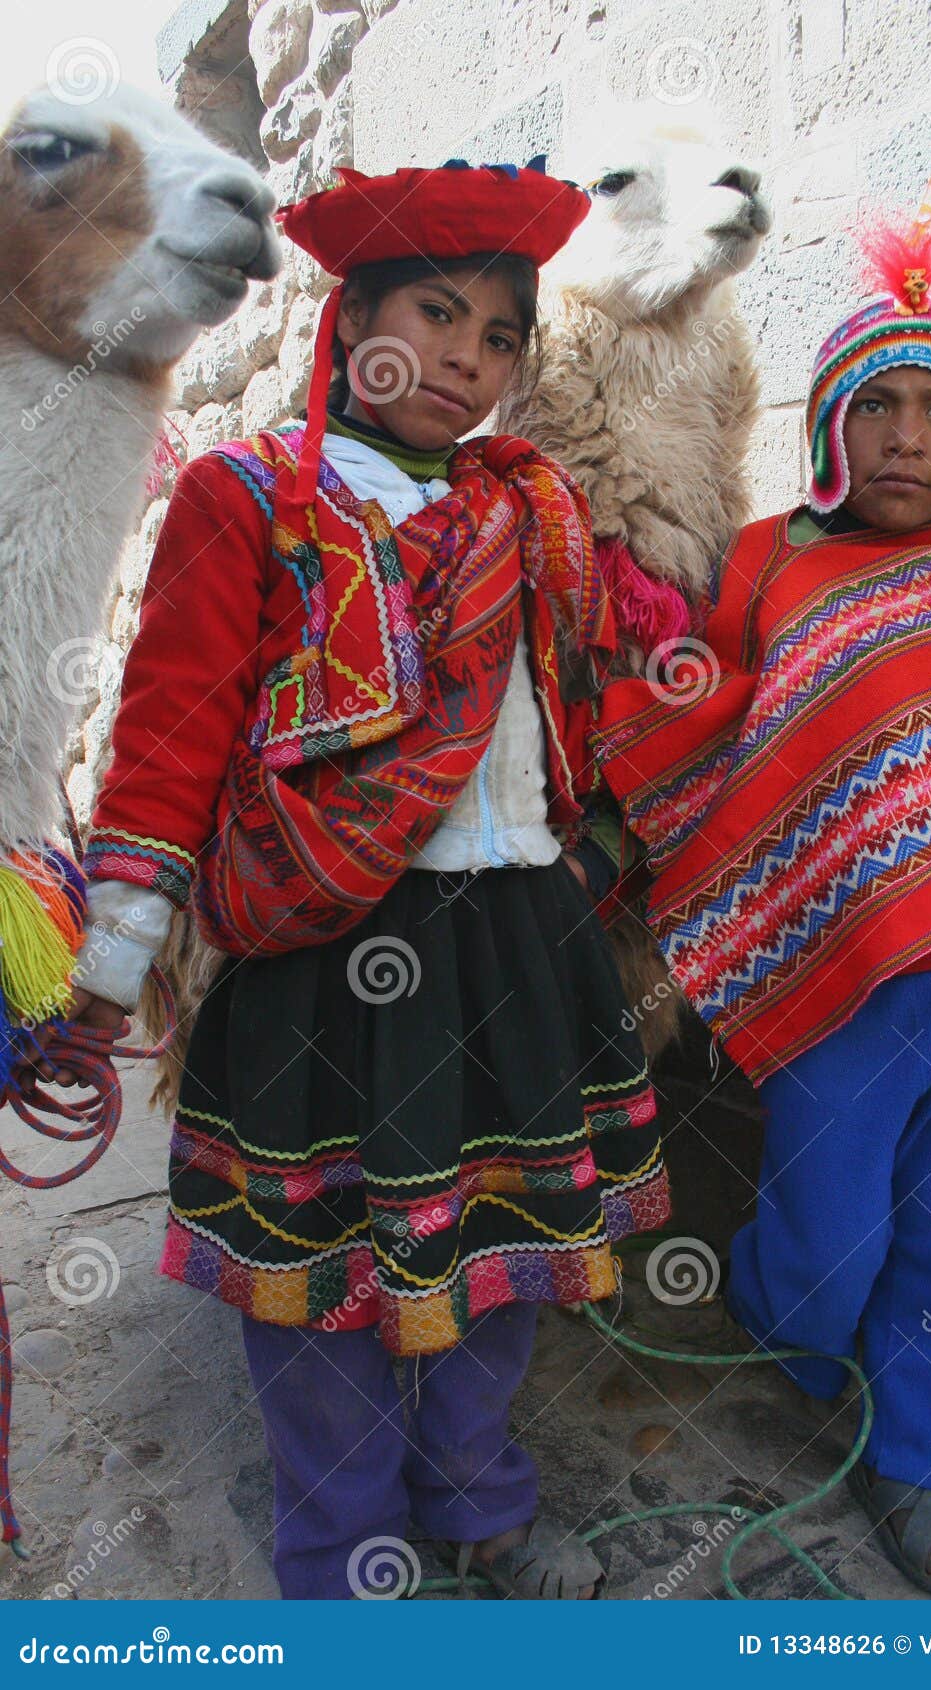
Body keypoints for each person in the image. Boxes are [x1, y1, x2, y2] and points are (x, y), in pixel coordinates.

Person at [39, 158, 670, 1600]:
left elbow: (582, 707)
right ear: (354, 317)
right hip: (324, 945)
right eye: (436, 314)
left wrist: (600, 857)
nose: (467, 359)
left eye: (500, 335)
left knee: (505, 1237)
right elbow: (174, 734)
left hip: (517, 932)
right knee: (316, 1272)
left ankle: (476, 1491)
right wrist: (114, 957)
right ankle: (341, 1548)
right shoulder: (254, 498)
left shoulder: (532, 510)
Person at [590, 202, 931, 1595]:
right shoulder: (769, 563)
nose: (906, 437)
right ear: (828, 427)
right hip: (825, 974)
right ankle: (780, 1316)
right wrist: (624, 748)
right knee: (827, 1241)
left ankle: (928, 1464)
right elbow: (698, 715)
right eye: (875, 406)